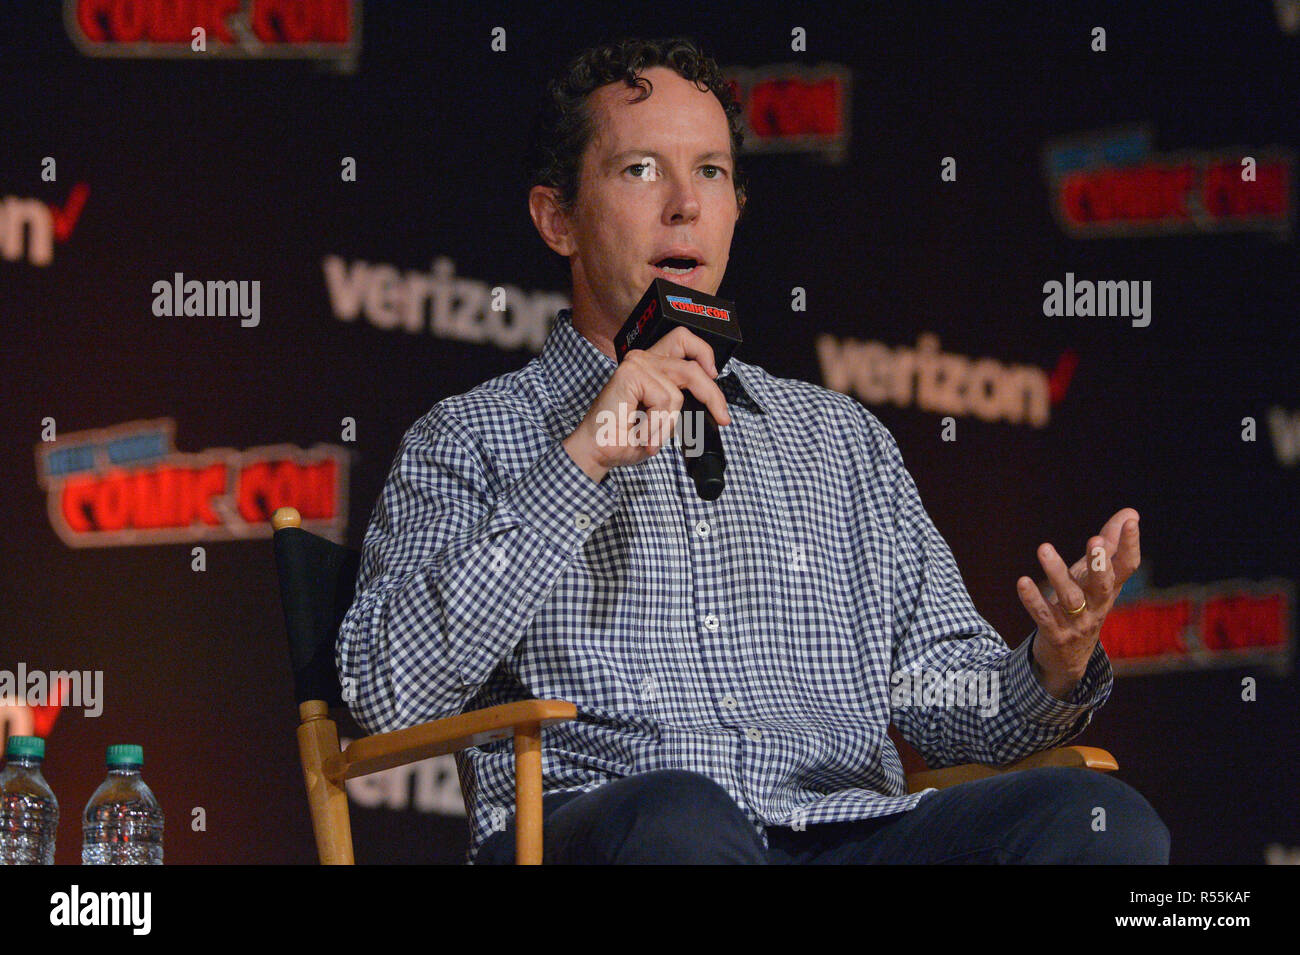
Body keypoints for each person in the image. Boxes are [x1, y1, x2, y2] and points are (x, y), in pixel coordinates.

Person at [336, 36, 1170, 864]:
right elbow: (386, 693)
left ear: (736, 205)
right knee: (682, 819)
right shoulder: (474, 436)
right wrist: (579, 463)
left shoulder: (841, 443)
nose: (684, 204)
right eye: (639, 170)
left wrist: (1053, 663)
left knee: (1102, 819)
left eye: (710, 172)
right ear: (558, 219)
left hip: (840, 832)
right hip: (621, 832)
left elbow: (942, 699)